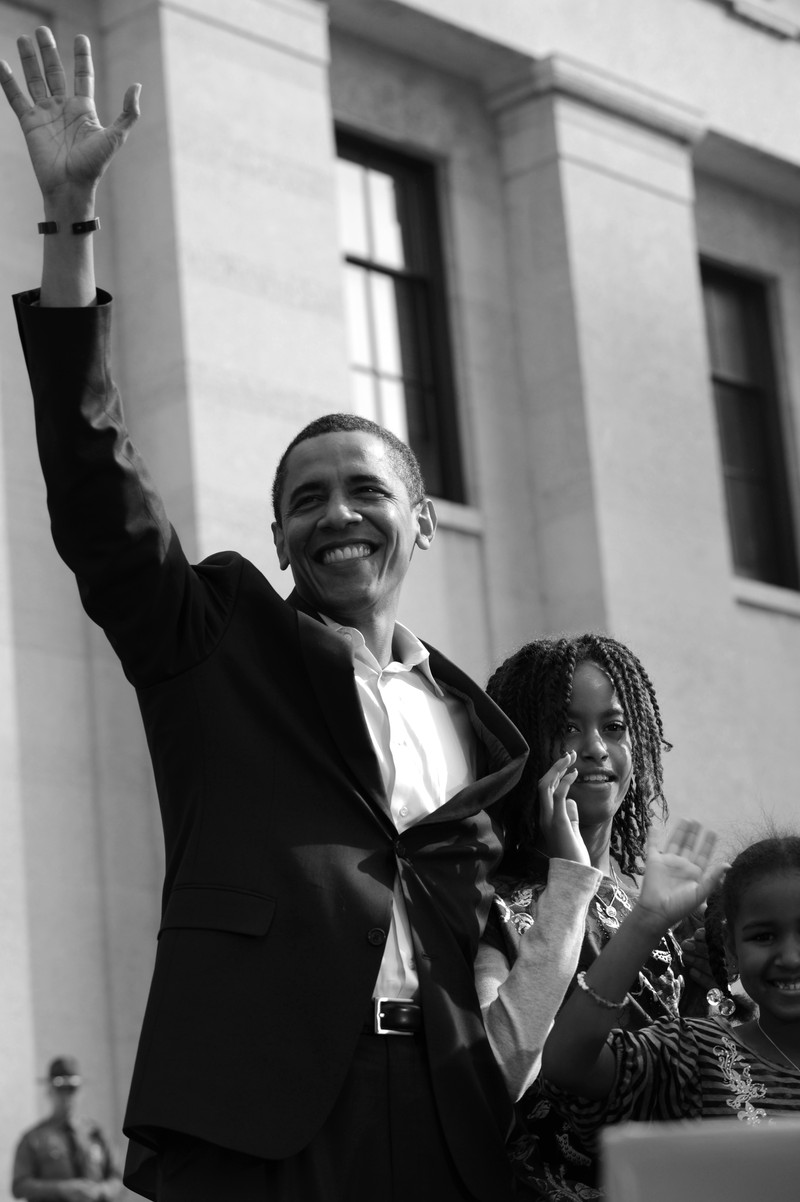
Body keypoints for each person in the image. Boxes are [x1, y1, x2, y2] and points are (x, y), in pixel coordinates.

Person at [0, 27, 528, 1202]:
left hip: (450, 1110)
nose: (333, 514)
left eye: (362, 490)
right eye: (304, 500)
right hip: (264, 1115)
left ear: (420, 521)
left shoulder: (479, 729)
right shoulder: (215, 638)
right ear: (280, 535)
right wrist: (68, 220)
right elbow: (98, 489)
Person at [476, 633, 708, 1199]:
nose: (594, 748)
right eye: (567, 727)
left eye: (613, 726)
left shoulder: (658, 910)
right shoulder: (486, 906)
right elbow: (494, 1069)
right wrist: (569, 877)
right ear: (526, 745)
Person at [540, 827, 800, 1135]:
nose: (790, 958)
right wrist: (646, 922)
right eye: (764, 937)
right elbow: (568, 1067)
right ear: (732, 945)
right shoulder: (694, 1054)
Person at [11, 1056, 122, 1202]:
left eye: (71, 1089)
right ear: (49, 1091)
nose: (66, 1096)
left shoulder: (97, 1134)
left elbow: (118, 1179)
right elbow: (20, 1186)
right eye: (60, 1088)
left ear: (80, 1091)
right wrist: (61, 1189)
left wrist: (99, 1191)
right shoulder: (33, 1138)